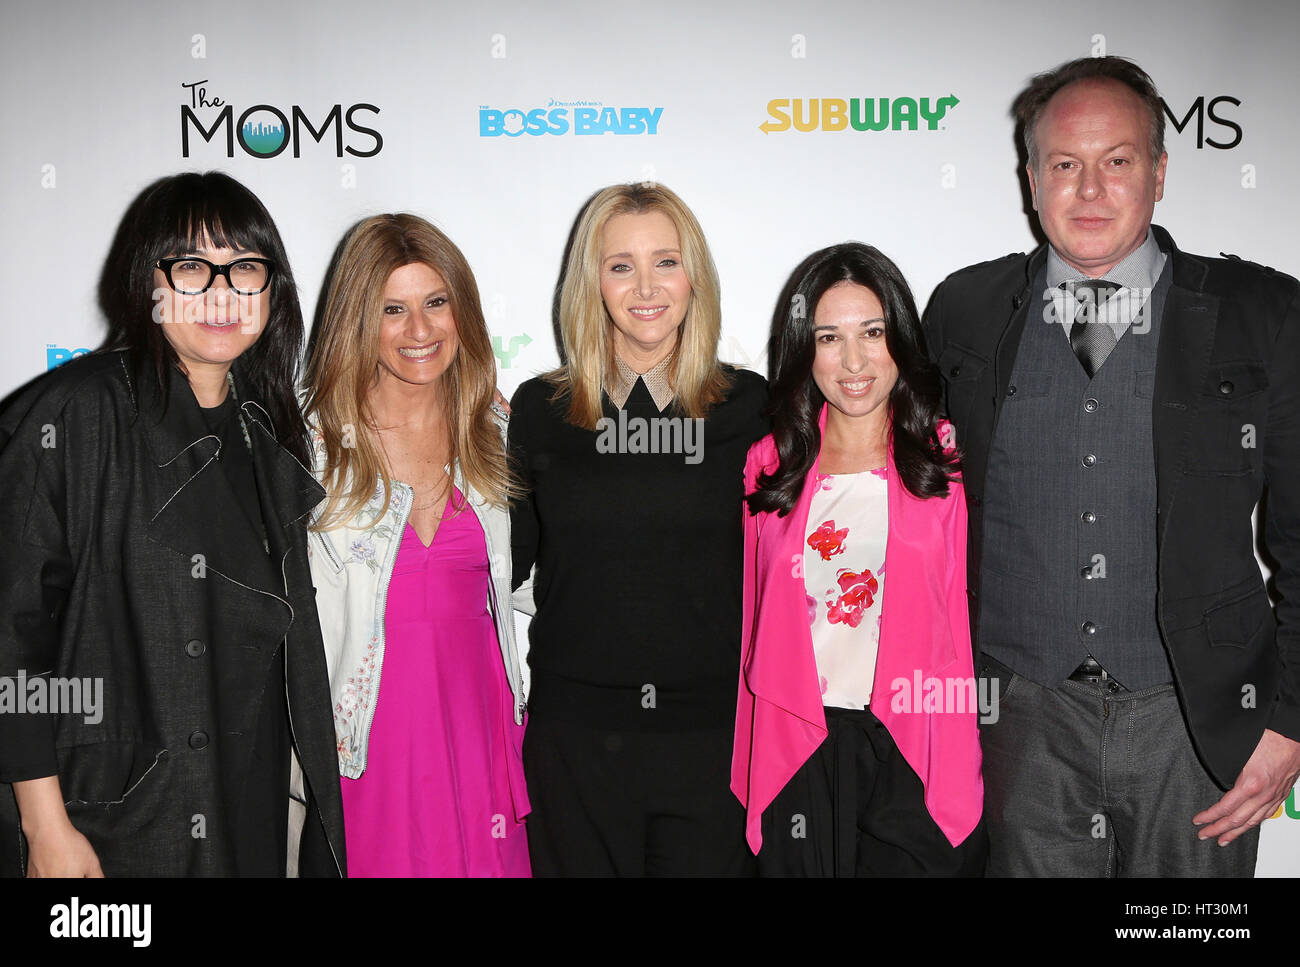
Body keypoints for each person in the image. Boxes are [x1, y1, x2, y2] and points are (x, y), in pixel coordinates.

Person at [923, 55, 1300, 876]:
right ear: (1030, 178)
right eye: (1065, 164)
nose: (1089, 190)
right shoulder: (965, 308)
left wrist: (1291, 720)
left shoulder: (1261, 313)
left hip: (1196, 722)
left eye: (1117, 161)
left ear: (1159, 173)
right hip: (1018, 718)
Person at [0, 171, 345, 876]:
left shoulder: (269, 426)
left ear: (271, 289)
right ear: (147, 281)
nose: (222, 292)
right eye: (191, 267)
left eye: (244, 267)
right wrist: (44, 825)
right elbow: (9, 633)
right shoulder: (77, 412)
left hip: (245, 798)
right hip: (110, 818)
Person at [509, 182, 768, 875]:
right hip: (575, 745)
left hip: (715, 742)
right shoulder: (541, 410)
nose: (645, 285)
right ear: (591, 282)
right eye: (620, 264)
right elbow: (501, 563)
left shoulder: (753, 406)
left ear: (696, 278)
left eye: (667, 261)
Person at [731, 242, 985, 876]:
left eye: (873, 332)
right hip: (800, 743)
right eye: (828, 337)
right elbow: (749, 622)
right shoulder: (771, 464)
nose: (853, 361)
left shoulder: (945, 459)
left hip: (911, 741)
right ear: (803, 349)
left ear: (899, 336)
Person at [303, 213, 530, 877]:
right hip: (368, 737)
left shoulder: (499, 432)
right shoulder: (311, 444)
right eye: (392, 309)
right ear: (357, 319)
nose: (420, 330)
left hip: (479, 721)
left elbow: (547, 581)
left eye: (436, 303)